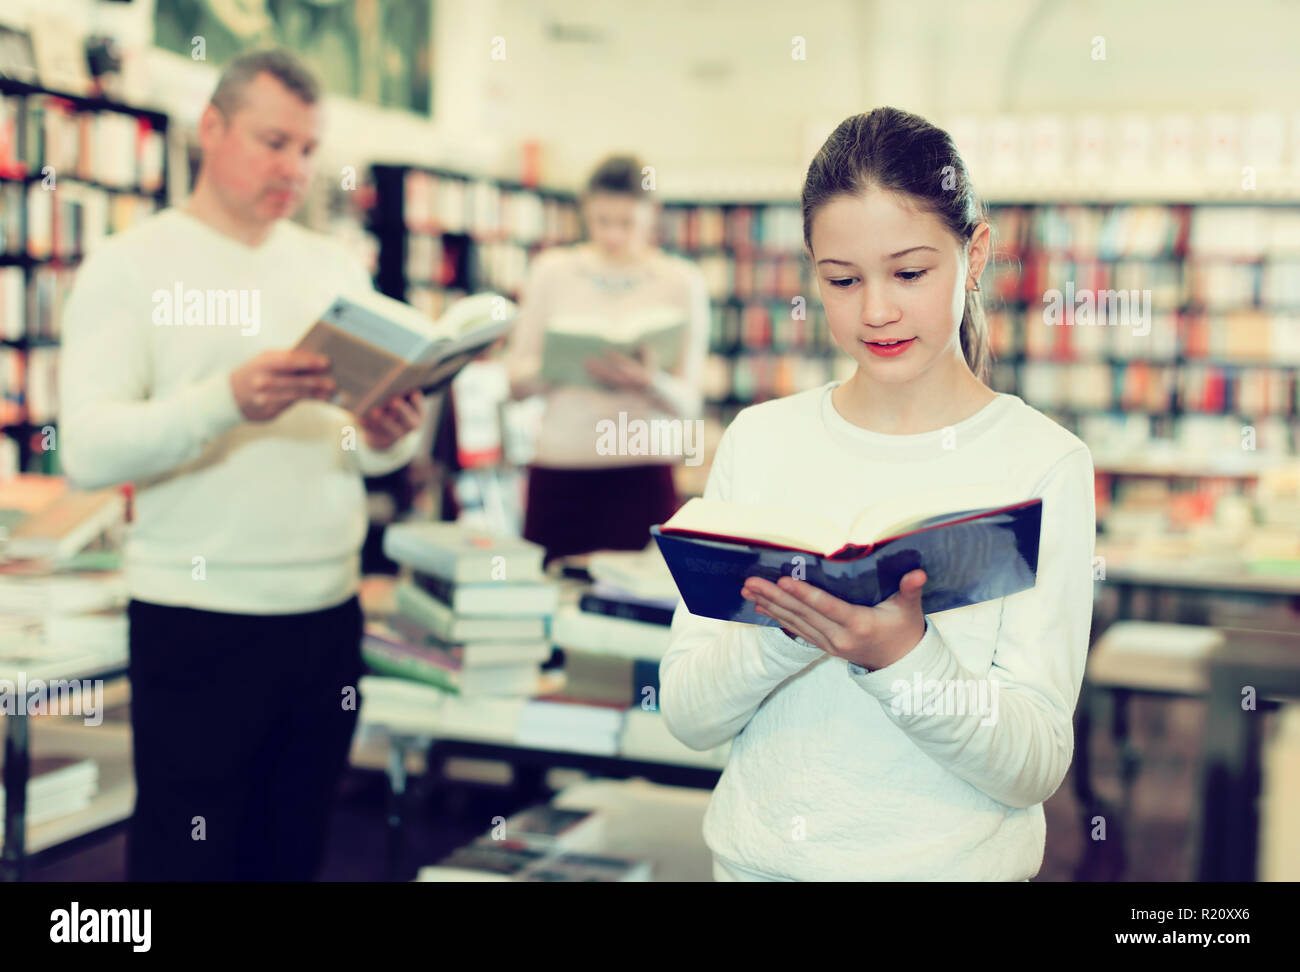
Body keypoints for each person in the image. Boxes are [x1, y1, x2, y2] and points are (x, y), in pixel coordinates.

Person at [658, 107, 1096, 881]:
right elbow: (688, 716)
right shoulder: (761, 440)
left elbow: (1033, 764)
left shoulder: (1044, 463)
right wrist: (791, 627)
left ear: (976, 253)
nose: (876, 311)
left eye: (910, 273)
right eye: (842, 280)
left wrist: (901, 657)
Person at [58, 49, 425, 881]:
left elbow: (373, 450)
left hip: (326, 611)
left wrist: (387, 433)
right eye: (273, 142)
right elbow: (85, 449)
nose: (294, 168)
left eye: (307, 149)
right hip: (198, 614)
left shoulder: (331, 266)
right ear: (211, 130)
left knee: (293, 852)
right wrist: (228, 400)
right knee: (189, 858)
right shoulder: (128, 265)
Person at [503, 155, 710, 565]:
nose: (613, 235)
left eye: (627, 223)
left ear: (652, 215)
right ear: (585, 212)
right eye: (602, 221)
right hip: (560, 467)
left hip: (642, 472)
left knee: (641, 607)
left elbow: (690, 403)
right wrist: (562, 367)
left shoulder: (680, 281)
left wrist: (648, 381)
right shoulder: (551, 272)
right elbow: (515, 384)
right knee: (550, 596)